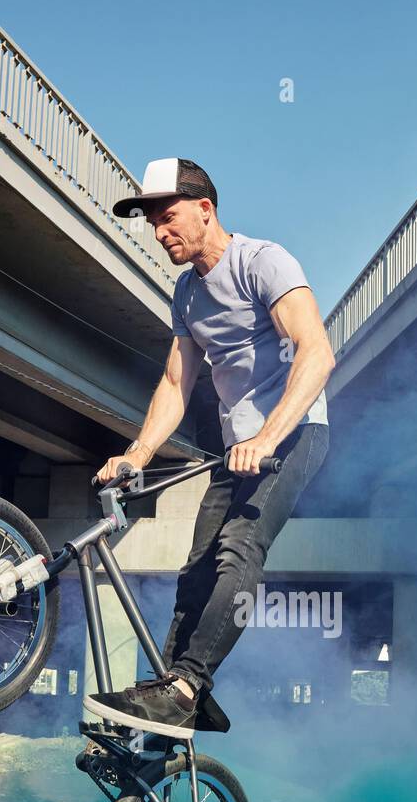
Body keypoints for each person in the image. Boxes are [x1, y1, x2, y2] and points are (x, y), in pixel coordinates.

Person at [84, 158, 334, 738]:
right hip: (237, 449)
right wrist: (136, 456)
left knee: (239, 549)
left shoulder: (261, 262)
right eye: (152, 224)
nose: (160, 232)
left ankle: (188, 686)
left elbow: (316, 350)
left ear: (205, 209)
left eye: (168, 217)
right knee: (195, 566)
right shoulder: (187, 294)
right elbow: (177, 382)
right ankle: (170, 687)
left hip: (293, 436)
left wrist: (268, 435)